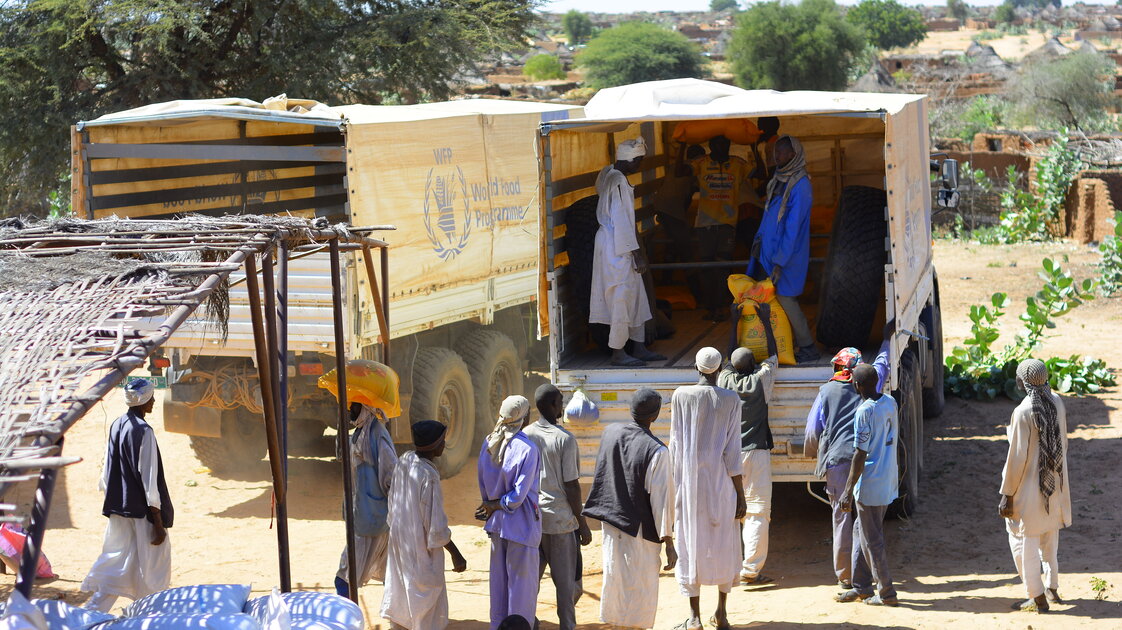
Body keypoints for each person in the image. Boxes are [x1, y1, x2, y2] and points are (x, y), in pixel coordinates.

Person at [584, 388, 677, 630]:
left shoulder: (610, 432)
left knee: (615, 580)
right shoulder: (658, 451)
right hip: (638, 530)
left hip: (611, 521)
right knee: (640, 587)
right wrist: (669, 542)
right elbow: (661, 502)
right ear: (654, 416)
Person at [670, 348, 747, 630]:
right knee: (725, 543)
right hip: (722, 484)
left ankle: (694, 617)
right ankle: (722, 613)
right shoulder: (730, 399)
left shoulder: (681, 395)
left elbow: (675, 444)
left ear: (697, 367)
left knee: (690, 543)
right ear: (720, 368)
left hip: (689, 486)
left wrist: (674, 485)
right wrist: (740, 494)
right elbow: (733, 451)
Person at [82, 378, 173, 613]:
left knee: (120, 561)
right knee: (153, 565)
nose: (153, 401)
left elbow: (106, 470)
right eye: (151, 398)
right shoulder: (144, 431)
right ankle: (147, 614)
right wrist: (158, 521)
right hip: (141, 511)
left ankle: (92, 612)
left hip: (118, 506)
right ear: (144, 401)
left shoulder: (117, 424)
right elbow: (149, 478)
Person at [998, 359, 1071, 613]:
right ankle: (1052, 588)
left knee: (1023, 541)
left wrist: (1007, 494)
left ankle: (1037, 597)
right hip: (1055, 485)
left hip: (1029, 490)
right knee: (1049, 538)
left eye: (1019, 378)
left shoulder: (1024, 411)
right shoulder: (1057, 402)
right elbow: (1063, 443)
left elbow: (1017, 457)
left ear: (1022, 382)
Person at [381, 420, 468, 630]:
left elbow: (392, 501)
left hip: (401, 542)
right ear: (433, 445)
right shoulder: (428, 476)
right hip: (418, 547)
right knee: (424, 603)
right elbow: (436, 527)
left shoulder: (404, 460)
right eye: (442, 441)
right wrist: (456, 553)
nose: (444, 445)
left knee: (403, 594)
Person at [717, 302, 779, 585]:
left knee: (731, 511)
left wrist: (734, 322)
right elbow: (775, 355)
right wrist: (765, 321)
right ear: (754, 365)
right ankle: (751, 571)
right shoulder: (761, 380)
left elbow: (730, 356)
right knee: (757, 511)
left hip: (728, 454)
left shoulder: (724, 379)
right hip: (756, 452)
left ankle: (726, 567)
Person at [591, 137, 666, 367]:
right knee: (621, 297)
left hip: (615, 243)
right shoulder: (619, 181)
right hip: (616, 246)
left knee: (636, 294)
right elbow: (621, 220)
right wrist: (636, 253)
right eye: (640, 161)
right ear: (631, 161)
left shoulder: (609, 173)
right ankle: (618, 351)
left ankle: (639, 346)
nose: (641, 165)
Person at [522, 384, 592, 630]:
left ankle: (527, 622)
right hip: (560, 522)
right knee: (566, 587)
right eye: (561, 401)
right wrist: (582, 523)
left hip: (532, 519)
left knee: (531, 583)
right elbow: (572, 486)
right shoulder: (565, 439)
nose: (563, 406)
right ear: (552, 405)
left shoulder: (527, 434)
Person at [746, 135, 818, 363]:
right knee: (765, 298)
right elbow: (769, 216)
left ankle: (808, 346)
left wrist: (780, 260)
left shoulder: (801, 185)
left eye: (782, 152)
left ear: (793, 155)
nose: (776, 156)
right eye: (775, 151)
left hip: (787, 254)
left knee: (787, 299)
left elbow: (793, 228)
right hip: (766, 251)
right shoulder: (778, 179)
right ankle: (772, 345)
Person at [837, 364, 900, 607]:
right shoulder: (889, 402)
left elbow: (859, 454)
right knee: (859, 532)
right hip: (886, 480)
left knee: (872, 539)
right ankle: (861, 586)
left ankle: (886, 592)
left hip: (870, 483)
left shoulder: (864, 411)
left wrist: (846, 491)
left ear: (857, 385)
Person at [477, 395, 541, 630]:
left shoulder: (488, 443)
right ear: (524, 419)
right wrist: (499, 504)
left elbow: (483, 486)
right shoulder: (527, 449)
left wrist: (491, 505)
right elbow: (517, 497)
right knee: (521, 591)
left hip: (497, 526)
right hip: (521, 527)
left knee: (499, 587)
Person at [334, 403, 397, 598]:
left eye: (354, 406)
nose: (349, 409)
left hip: (373, 518)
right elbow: (340, 455)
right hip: (364, 515)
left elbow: (391, 475)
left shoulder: (377, 435)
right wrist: (341, 426)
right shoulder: (360, 431)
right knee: (389, 572)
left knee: (345, 577)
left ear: (366, 408)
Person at [690, 135, 752, 321]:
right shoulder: (701, 163)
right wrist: (683, 145)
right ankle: (710, 308)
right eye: (717, 144)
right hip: (705, 224)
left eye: (725, 144)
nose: (721, 148)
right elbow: (679, 172)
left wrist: (755, 146)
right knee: (708, 267)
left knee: (724, 266)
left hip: (727, 223)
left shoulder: (738, 164)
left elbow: (761, 174)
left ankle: (723, 307)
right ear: (710, 146)